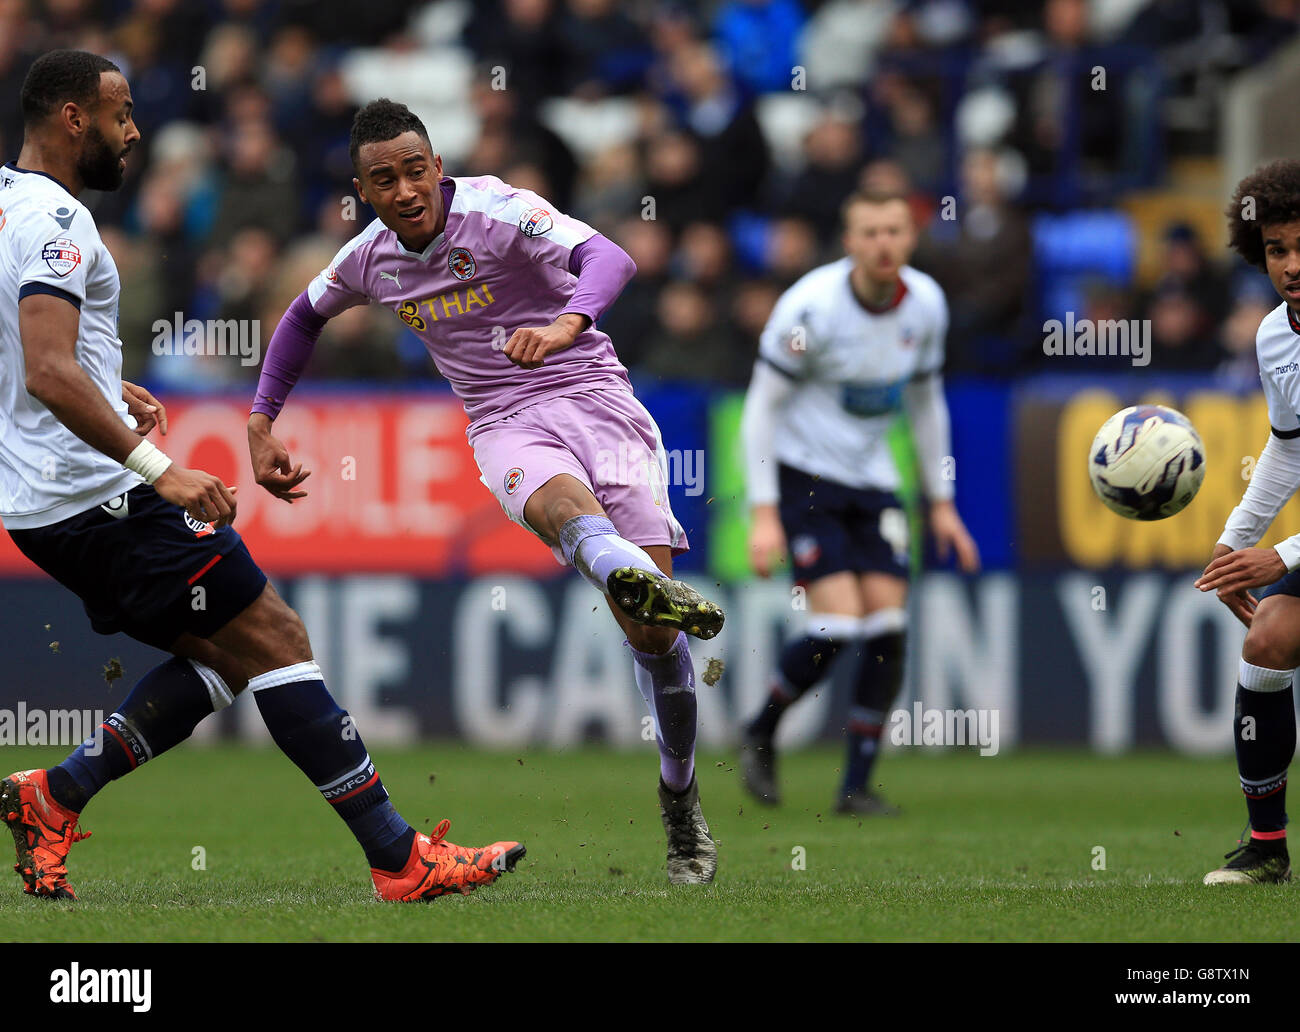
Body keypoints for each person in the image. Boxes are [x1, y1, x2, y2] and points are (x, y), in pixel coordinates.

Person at [0, 50, 522, 903]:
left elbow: (35, 355)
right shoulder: (60, 221)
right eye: (121, 114)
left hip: (43, 504)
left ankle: (55, 797)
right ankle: (400, 860)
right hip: (98, 495)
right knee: (277, 639)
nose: (133, 132)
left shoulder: (7, 203)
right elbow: (47, 371)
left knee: (228, 656)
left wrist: (102, 381)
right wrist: (160, 470)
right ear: (72, 118)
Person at [246, 99, 724, 884]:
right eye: (384, 180)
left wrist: (566, 325)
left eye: (415, 171)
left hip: (597, 399)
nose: (405, 190)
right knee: (564, 512)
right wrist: (262, 420)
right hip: (503, 421)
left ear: (437, 167)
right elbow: (302, 317)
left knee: (653, 640)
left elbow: (611, 259)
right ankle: (625, 572)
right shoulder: (368, 258)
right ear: (363, 191)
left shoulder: (500, 210)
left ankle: (679, 792)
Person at [738, 189, 980, 814]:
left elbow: (926, 403)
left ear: (910, 238)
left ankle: (856, 788)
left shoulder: (926, 304)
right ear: (849, 242)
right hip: (807, 477)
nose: (883, 244)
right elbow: (761, 408)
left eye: (894, 231)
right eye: (870, 232)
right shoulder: (809, 309)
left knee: (888, 627)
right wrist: (763, 513)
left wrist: (942, 501)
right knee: (839, 625)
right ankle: (760, 731)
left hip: (875, 481)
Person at [1195, 158, 1300, 884]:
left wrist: (1283, 556)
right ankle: (1267, 847)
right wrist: (1235, 542)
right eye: (1276, 249)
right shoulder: (1273, 336)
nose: (1292, 265)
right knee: (1268, 640)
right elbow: (1289, 449)